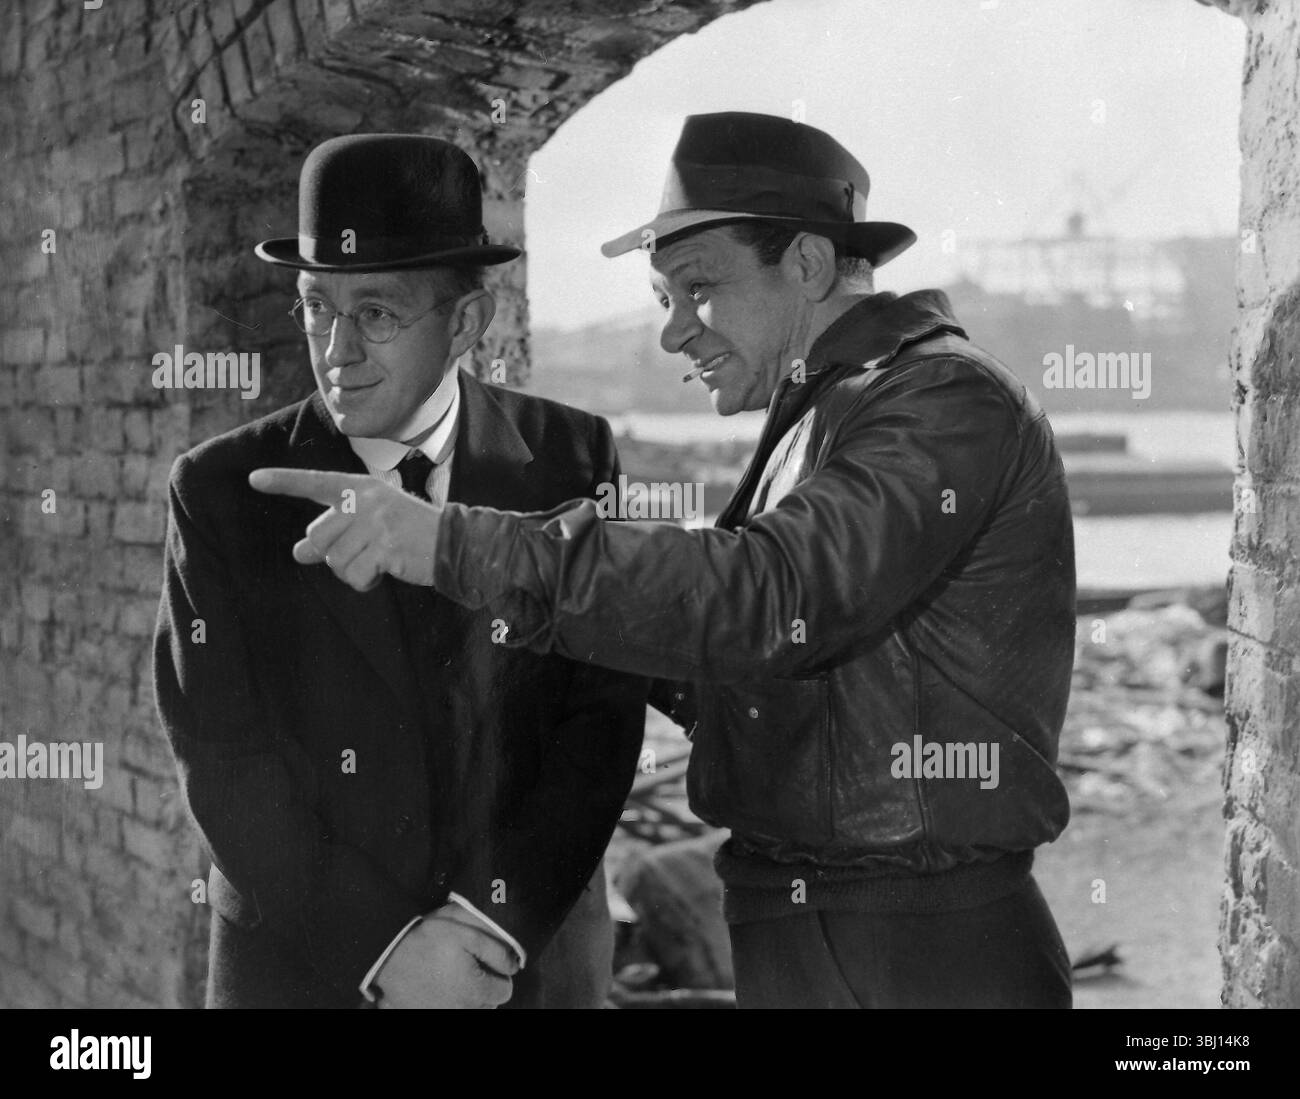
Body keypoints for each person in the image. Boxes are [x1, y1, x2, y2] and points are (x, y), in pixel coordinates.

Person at [253, 113, 1077, 1009]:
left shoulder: (938, 398)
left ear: (806, 264)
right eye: (664, 300)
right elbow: (738, 666)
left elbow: (769, 594)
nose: (674, 333)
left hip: (920, 945)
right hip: (812, 927)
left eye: (698, 289)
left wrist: (455, 543)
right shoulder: (823, 414)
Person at [154, 133, 645, 1009]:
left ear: (466, 323)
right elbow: (223, 754)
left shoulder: (572, 456)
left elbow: (600, 720)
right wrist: (389, 950)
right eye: (315, 307)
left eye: (375, 313)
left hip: (517, 963)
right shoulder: (221, 489)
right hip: (304, 970)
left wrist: (487, 927)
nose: (335, 351)